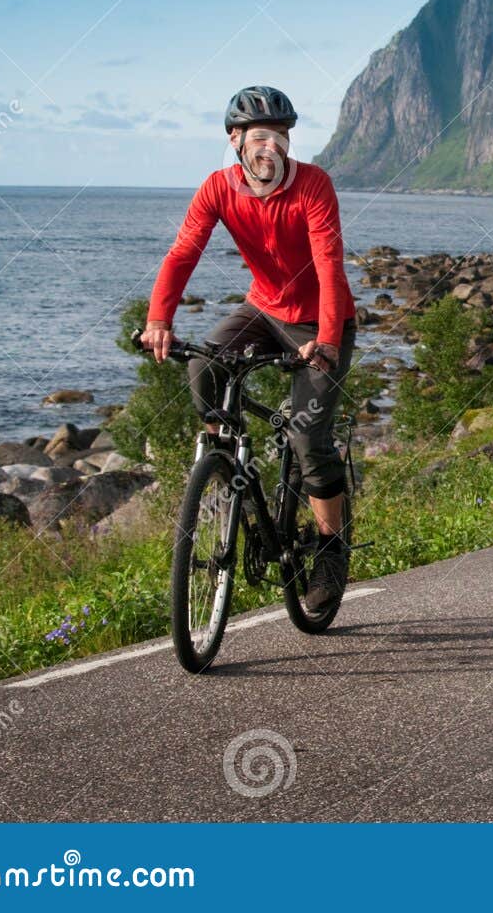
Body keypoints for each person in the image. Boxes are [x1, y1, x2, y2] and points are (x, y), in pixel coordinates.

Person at [141, 85, 358, 613]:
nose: (272, 147)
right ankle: (222, 455)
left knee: (309, 436)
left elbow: (329, 266)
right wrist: (158, 319)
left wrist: (326, 342)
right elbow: (183, 252)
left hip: (319, 322)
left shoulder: (312, 185)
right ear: (236, 139)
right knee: (204, 362)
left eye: (281, 137)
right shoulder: (218, 188)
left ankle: (331, 550)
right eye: (261, 136)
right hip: (262, 309)